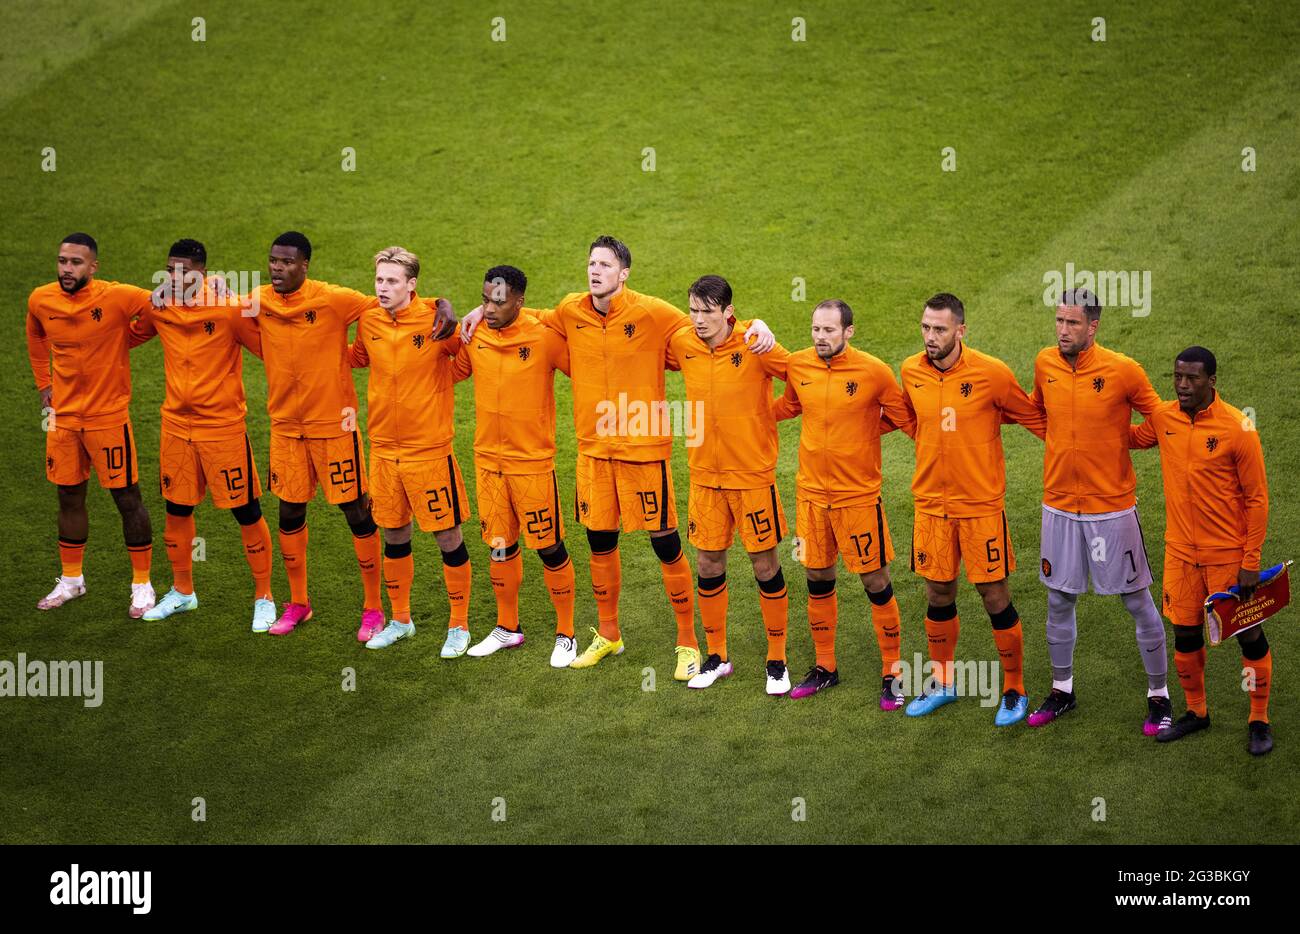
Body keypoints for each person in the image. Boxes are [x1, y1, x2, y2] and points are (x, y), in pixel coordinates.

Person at [1027, 289, 1172, 734]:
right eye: (1058, 321)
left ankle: (1160, 697)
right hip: (1059, 505)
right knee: (1058, 598)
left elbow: (1162, 417)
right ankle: (1062, 690)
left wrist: (1125, 441)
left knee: (1136, 599)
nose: (1063, 330)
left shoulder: (1123, 370)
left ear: (1093, 327)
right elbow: (1037, 413)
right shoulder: (1044, 364)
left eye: (1072, 323)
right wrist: (1059, 445)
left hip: (1111, 509)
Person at [1130, 346, 1273, 755]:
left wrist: (1250, 563)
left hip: (1228, 555)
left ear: (1212, 381)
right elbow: (1131, 438)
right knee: (1186, 632)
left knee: (1247, 633)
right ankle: (1197, 712)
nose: (1182, 385)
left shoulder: (1237, 428)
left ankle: (1259, 719)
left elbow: (1257, 499)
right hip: (1180, 552)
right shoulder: (1164, 418)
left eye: (1192, 378)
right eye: (1177, 376)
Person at [129, 239, 274, 629]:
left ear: (203, 273)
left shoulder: (229, 308)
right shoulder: (160, 306)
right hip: (176, 427)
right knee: (177, 509)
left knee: (247, 510)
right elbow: (126, 327)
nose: (175, 278)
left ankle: (264, 596)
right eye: (170, 270)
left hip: (223, 428)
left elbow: (270, 340)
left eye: (184, 271)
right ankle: (182, 592)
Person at [774, 299, 912, 702]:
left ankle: (892, 673)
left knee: (875, 580)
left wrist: (866, 430)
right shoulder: (799, 366)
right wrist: (749, 414)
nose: (820, 337)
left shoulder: (874, 372)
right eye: (816, 329)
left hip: (858, 498)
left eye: (829, 330)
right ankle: (825, 667)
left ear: (848, 331)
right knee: (816, 576)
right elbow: (790, 405)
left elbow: (905, 417)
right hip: (811, 497)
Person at [665, 275, 792, 694]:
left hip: (752, 478)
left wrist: (772, 414)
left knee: (765, 565)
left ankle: (777, 661)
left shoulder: (755, 343)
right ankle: (717, 656)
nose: (699, 320)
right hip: (705, 479)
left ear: (728, 313)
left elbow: (801, 374)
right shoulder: (683, 343)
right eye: (694, 310)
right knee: (708, 564)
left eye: (708, 312)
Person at [452, 265, 577, 666]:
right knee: (500, 547)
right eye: (485, 299)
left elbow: (587, 361)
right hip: (488, 463)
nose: (489, 308)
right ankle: (508, 628)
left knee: (549, 547)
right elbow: (446, 367)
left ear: (519, 302)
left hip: (532, 465)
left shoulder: (543, 337)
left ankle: (567, 633)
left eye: (498, 302)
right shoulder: (474, 336)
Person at [26, 233, 156, 617]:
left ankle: (142, 584)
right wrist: (43, 383)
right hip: (63, 418)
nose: (67, 269)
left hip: (108, 418)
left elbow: (158, 309)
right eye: (63, 261)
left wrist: (124, 338)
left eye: (76, 263)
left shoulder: (118, 296)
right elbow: (35, 335)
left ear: (93, 267)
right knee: (68, 495)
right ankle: (71, 580)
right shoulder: (41, 298)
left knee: (127, 498)